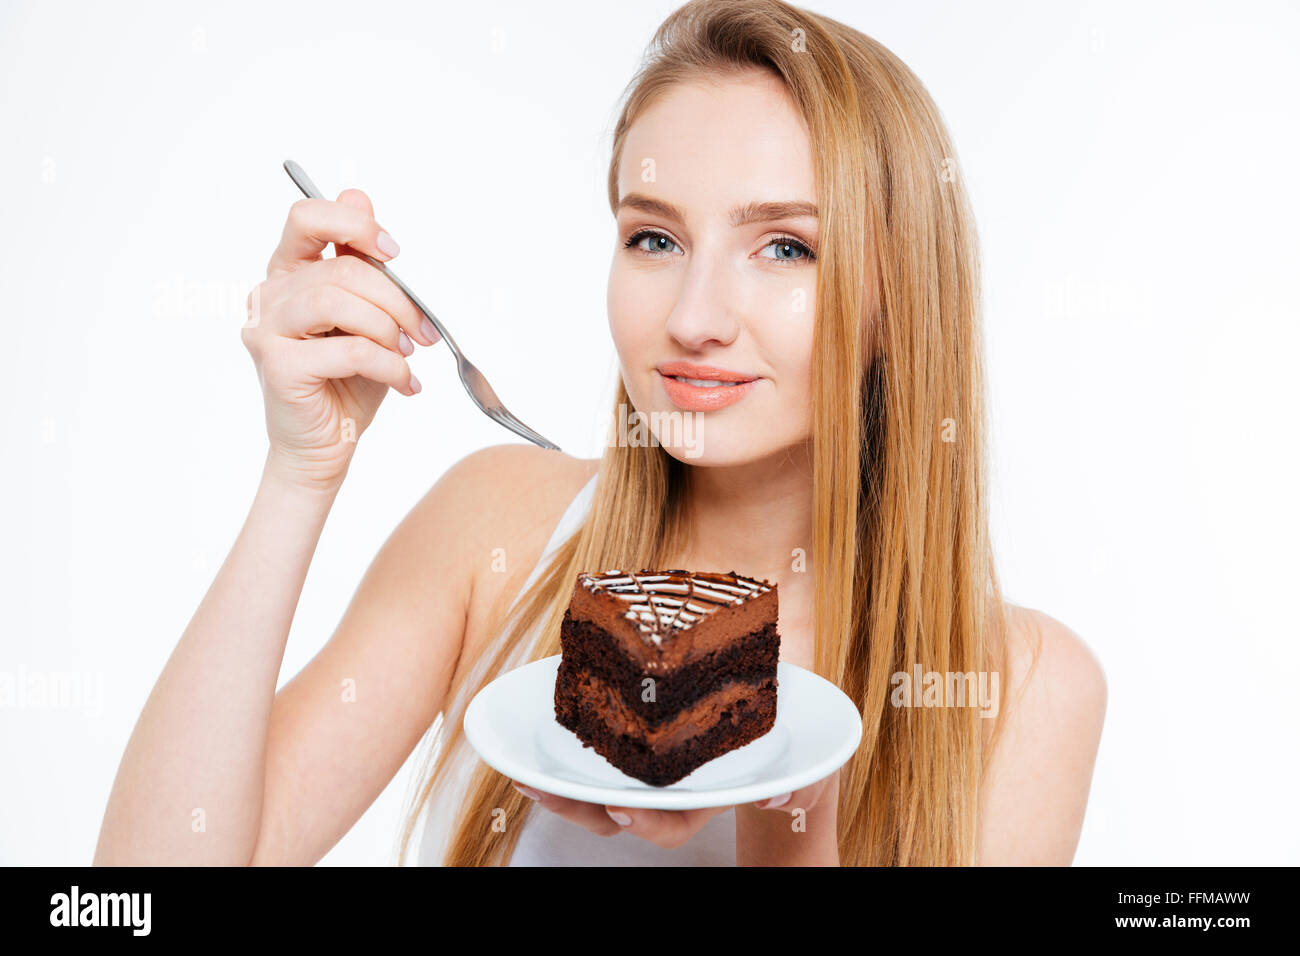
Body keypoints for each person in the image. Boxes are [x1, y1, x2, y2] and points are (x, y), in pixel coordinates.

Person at [94, 0, 1106, 867]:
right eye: (654, 236)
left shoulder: (1020, 687)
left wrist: (779, 792)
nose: (694, 315)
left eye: (786, 246)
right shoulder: (496, 529)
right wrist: (299, 471)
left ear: (903, 298)